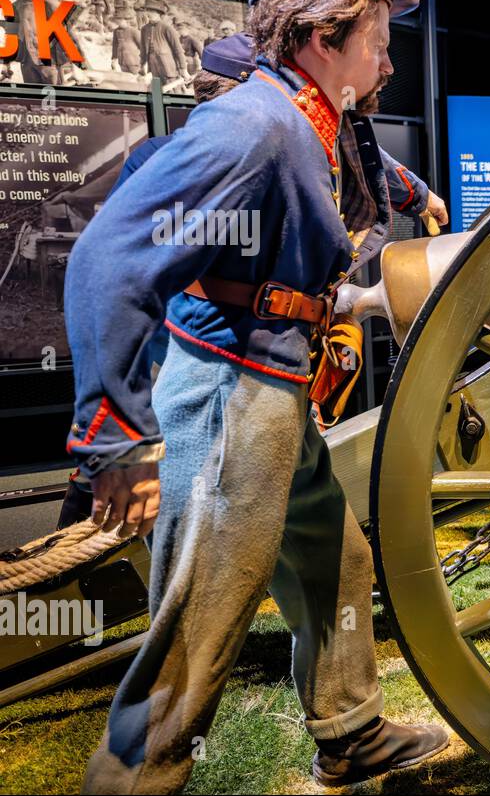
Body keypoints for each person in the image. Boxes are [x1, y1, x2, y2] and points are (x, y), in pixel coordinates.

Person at [66, 0, 452, 793]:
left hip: (273, 387)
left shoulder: (313, 118)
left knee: (336, 565)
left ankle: (349, 731)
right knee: (198, 628)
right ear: (325, 37)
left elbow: (355, 195)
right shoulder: (254, 126)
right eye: (379, 40)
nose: (389, 61)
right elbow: (105, 264)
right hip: (231, 395)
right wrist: (115, 444)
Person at [56, 30, 445, 527]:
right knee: (183, 498)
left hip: (261, 357)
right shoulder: (225, 146)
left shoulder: (269, 141)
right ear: (250, 93)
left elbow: (366, 162)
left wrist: (418, 195)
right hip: (197, 352)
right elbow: (114, 266)